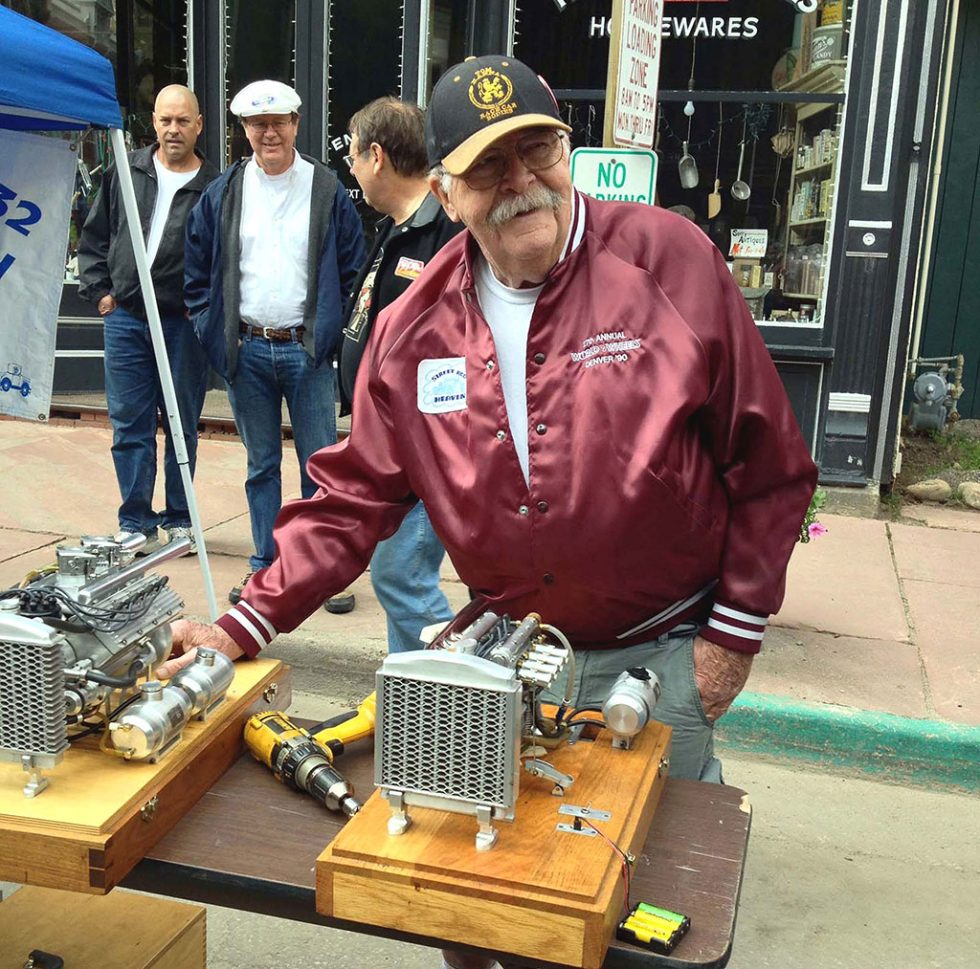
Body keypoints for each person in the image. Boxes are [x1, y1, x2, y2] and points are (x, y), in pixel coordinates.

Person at [163, 54, 816, 965]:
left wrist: (731, 636)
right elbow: (351, 497)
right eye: (485, 168)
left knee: (650, 919)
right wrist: (241, 624)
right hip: (505, 668)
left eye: (536, 150)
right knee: (480, 910)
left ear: (568, 148)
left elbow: (771, 463)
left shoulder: (670, 258)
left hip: (665, 654)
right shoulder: (410, 324)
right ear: (446, 190)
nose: (520, 185)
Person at [184, 79, 365, 607]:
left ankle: (318, 572)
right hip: (246, 352)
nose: (269, 133)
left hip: (306, 354)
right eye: (257, 125)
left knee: (320, 464)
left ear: (295, 123)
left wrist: (332, 336)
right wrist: (207, 328)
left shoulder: (326, 189)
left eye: (279, 121)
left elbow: (355, 271)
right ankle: (266, 565)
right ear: (243, 131)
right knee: (261, 465)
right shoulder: (224, 191)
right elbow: (197, 267)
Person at [339, 96, 463, 652]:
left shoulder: (443, 234)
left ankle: (445, 704)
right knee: (398, 577)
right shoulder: (397, 226)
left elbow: (453, 351)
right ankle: (410, 699)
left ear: (378, 155)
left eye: (354, 156)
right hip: (390, 444)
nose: (352, 168)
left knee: (400, 576)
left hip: (420, 449)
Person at [78, 84, 217, 554]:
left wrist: (204, 312)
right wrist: (99, 291)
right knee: (129, 423)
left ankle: (180, 519)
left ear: (199, 125)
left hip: (182, 325)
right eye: (165, 120)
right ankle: (136, 522)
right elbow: (95, 233)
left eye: (183, 121)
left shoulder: (213, 187)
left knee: (180, 424)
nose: (173, 129)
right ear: (153, 122)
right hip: (127, 320)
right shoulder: (127, 169)